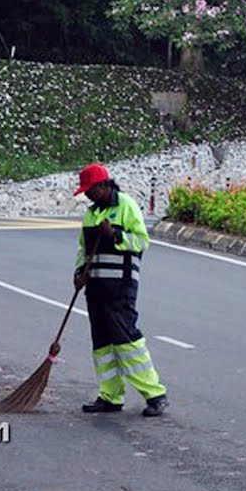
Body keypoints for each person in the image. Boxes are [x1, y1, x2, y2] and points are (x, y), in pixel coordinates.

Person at [72, 162, 169, 416]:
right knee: (102, 344)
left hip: (120, 286)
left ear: (104, 185)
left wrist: (115, 234)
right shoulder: (91, 213)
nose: (87, 195)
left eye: (90, 190)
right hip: (95, 288)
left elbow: (141, 242)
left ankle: (155, 394)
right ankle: (110, 396)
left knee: (126, 339)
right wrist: (79, 272)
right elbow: (83, 248)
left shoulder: (125, 205)